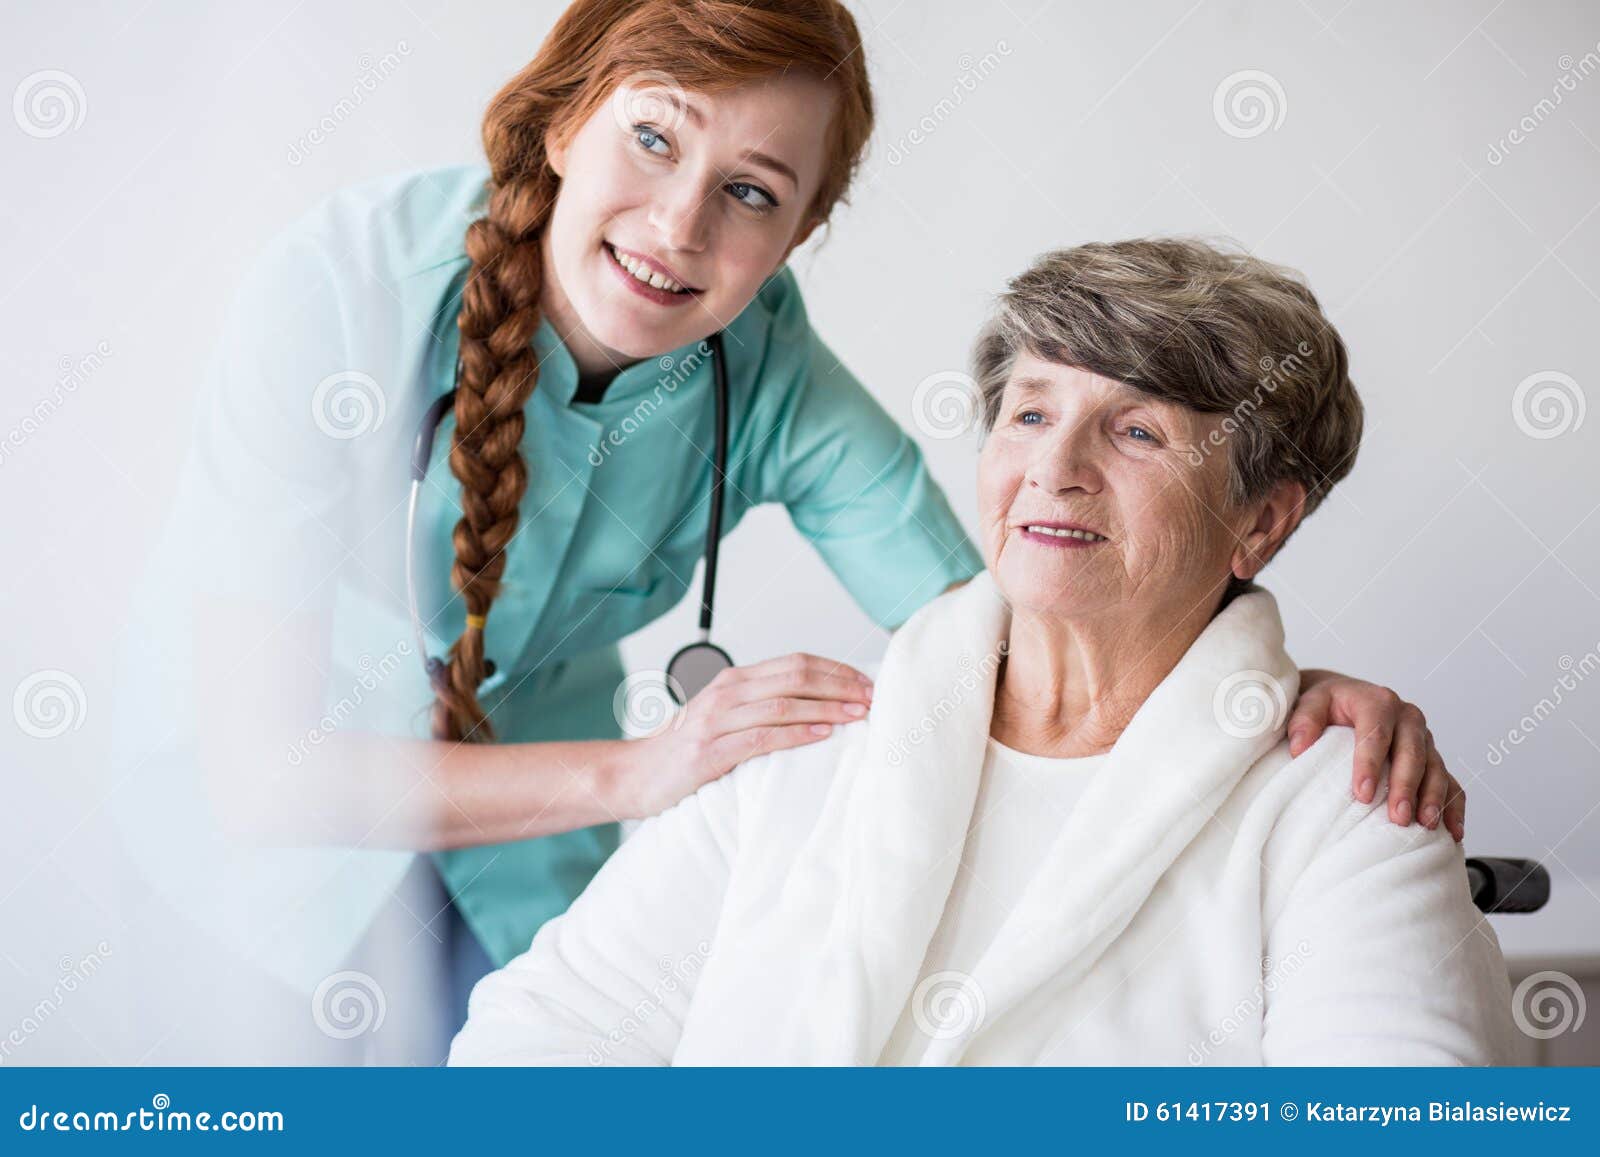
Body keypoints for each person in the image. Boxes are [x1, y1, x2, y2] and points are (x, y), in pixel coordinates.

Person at [112, 0, 1464, 1052]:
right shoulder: (338, 298)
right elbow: (261, 773)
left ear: (800, 231)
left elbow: (1009, 610)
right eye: (654, 136)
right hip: (274, 869)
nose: (680, 223)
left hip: (527, 876)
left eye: (754, 191)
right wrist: (643, 772)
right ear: (559, 119)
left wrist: (1250, 682)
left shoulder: (767, 372)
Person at [446, 239, 1516, 1066]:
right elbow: (544, 1040)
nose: (1055, 465)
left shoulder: (1346, 808)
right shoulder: (799, 752)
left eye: (1135, 431)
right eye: (1028, 411)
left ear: (1262, 519)